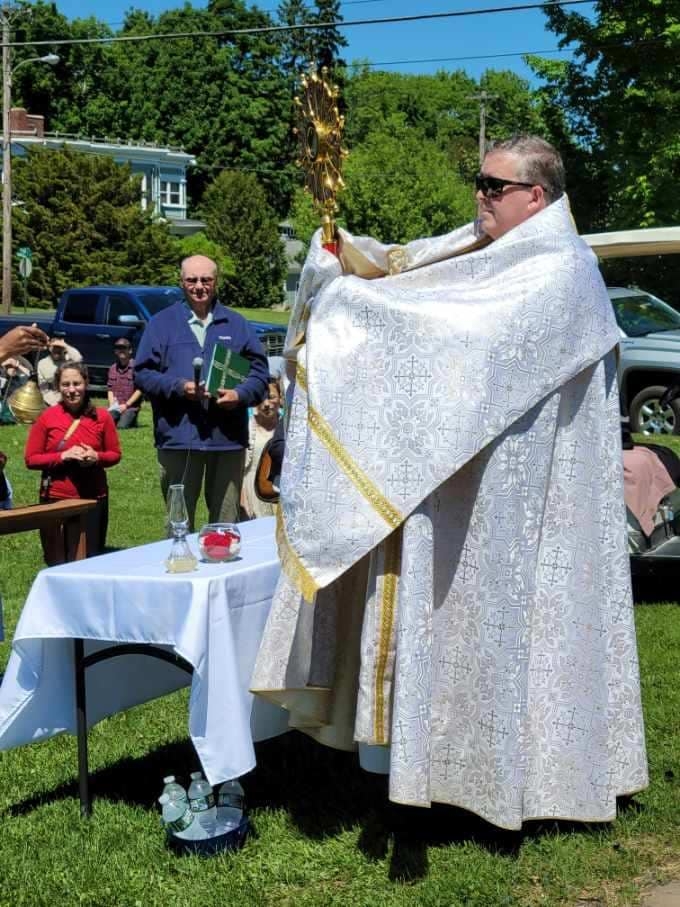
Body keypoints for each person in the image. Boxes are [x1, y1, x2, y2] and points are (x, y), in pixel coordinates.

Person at [251, 135, 648, 831]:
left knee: (520, 632)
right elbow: (414, 268)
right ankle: (434, 768)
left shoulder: (561, 271)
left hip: (522, 501)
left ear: (538, 196)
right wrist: (346, 254)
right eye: (479, 181)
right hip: (460, 479)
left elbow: (447, 333)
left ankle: (520, 779)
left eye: (495, 186)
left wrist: (343, 313)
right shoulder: (488, 246)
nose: (480, 195)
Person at [134, 255, 269, 530]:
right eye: (191, 280)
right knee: (178, 523)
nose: (199, 286)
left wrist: (240, 395)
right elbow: (143, 374)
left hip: (227, 439)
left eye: (206, 280)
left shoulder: (237, 324)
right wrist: (179, 387)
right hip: (179, 438)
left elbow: (259, 375)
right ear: (181, 283)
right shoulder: (162, 324)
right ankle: (180, 569)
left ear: (216, 282)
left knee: (225, 525)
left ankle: (220, 568)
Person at [24, 361, 121, 565]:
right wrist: (63, 456)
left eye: (76, 383)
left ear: (86, 383)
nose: (71, 390)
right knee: (57, 561)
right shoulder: (47, 417)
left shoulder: (102, 417)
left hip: (92, 498)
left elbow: (114, 454)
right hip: (56, 499)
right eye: (65, 384)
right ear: (58, 387)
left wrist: (96, 457)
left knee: (91, 561)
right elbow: (31, 459)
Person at [240, 378, 281, 519]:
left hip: (280, 493)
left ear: (280, 399)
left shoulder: (289, 426)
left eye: (271, 397)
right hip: (252, 494)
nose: (266, 404)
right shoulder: (246, 427)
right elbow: (238, 469)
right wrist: (242, 499)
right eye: (260, 399)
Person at [107, 338, 142, 429]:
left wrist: (126, 405)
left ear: (130, 350)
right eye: (118, 348)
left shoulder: (136, 367)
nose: (121, 350)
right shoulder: (112, 368)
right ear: (115, 351)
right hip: (116, 406)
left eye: (124, 348)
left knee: (121, 426)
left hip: (130, 407)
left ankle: (132, 419)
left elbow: (140, 390)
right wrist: (112, 405)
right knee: (107, 423)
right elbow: (110, 389)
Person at [37, 338, 82, 406]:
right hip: (51, 399)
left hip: (70, 395)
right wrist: (53, 402)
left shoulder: (69, 361)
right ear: (50, 348)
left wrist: (65, 345)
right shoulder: (42, 363)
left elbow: (79, 358)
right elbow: (43, 387)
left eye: (59, 348)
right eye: (54, 348)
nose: (57, 350)